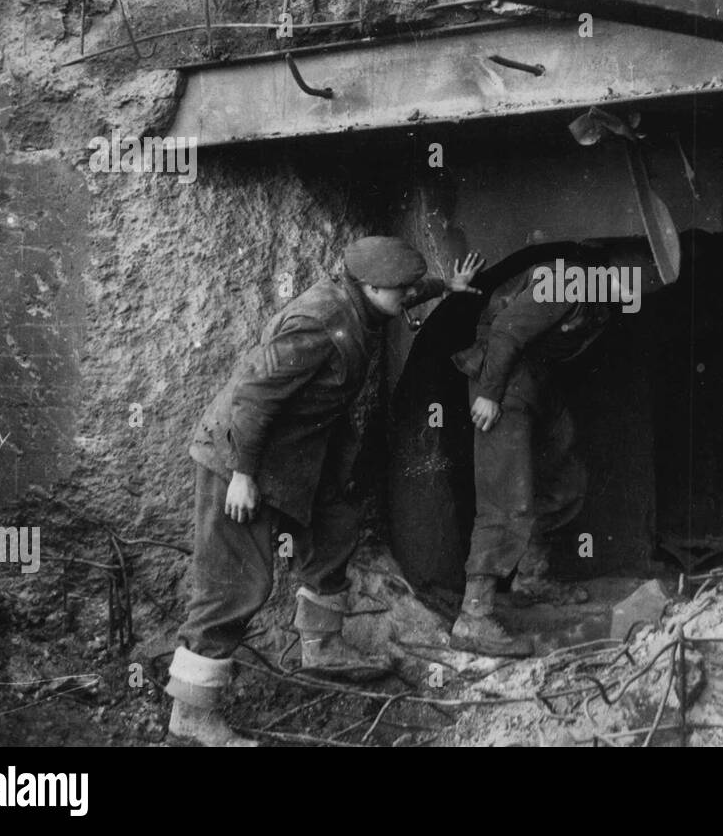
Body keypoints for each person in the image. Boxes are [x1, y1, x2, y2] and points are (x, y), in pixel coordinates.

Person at [165, 237, 483, 747]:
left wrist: (448, 286)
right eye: (399, 291)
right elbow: (251, 398)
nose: (406, 298)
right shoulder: (318, 324)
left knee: (335, 527)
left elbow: (407, 288)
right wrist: (244, 476)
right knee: (237, 584)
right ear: (371, 286)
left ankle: (321, 645)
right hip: (241, 459)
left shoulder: (364, 298)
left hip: (298, 459)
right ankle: (191, 714)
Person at [448, 248, 614, 657]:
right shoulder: (570, 278)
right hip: (500, 380)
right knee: (504, 494)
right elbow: (506, 329)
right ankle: (474, 615)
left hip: (535, 380)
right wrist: (489, 395)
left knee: (563, 475)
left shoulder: (600, 298)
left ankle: (531, 577)